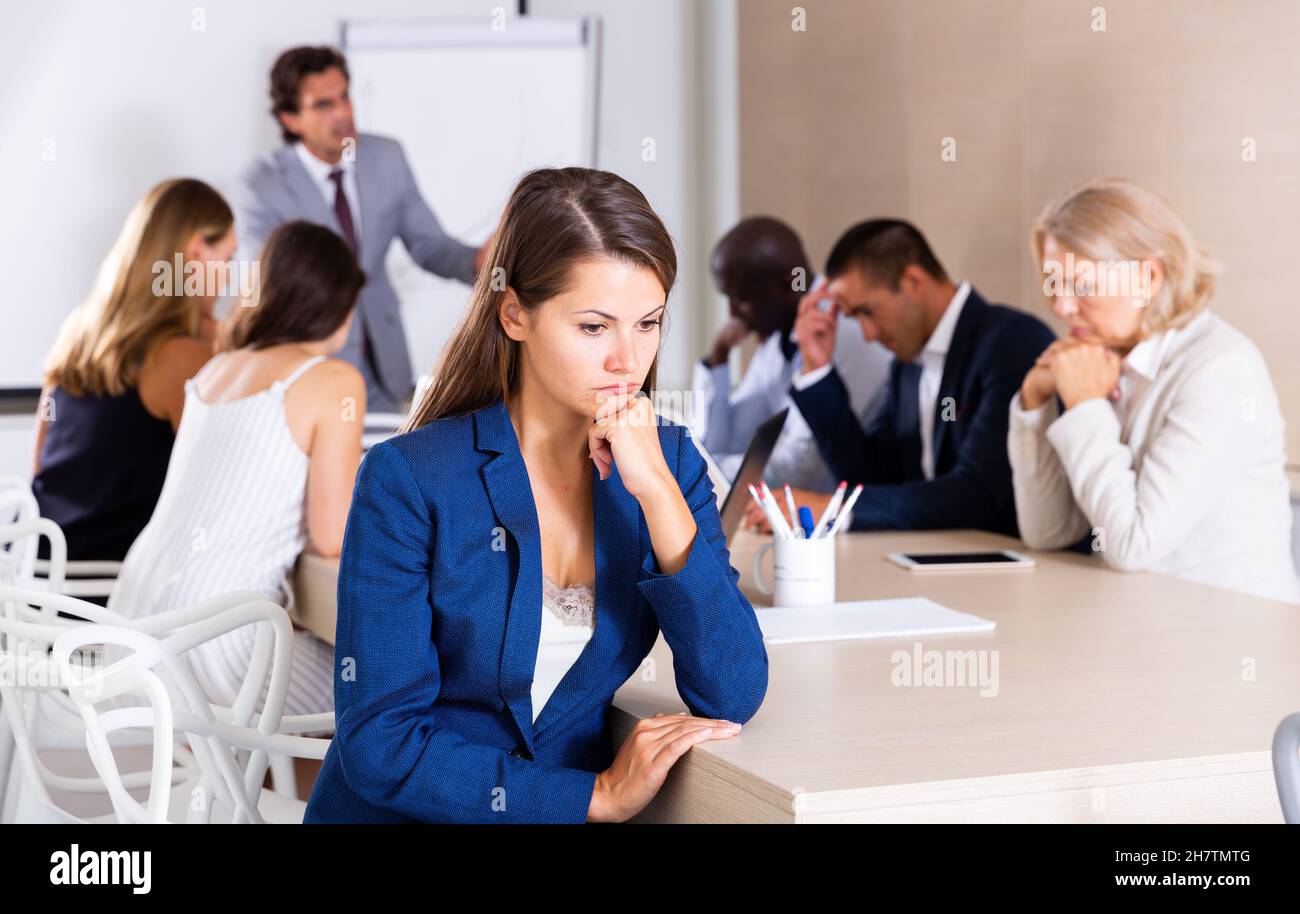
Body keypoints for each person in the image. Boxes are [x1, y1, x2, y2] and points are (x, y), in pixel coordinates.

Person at [305, 167, 769, 824]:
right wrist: (595, 796)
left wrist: (661, 497)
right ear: (515, 313)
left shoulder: (665, 463)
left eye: (648, 324)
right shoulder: (408, 478)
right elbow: (379, 742)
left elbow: (733, 691)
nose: (626, 360)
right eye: (593, 327)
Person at [107, 221, 368, 715]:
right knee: (388, 689)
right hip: (211, 653)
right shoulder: (332, 380)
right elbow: (332, 536)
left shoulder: (215, 369)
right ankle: (283, 793)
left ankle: (256, 791)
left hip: (135, 627)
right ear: (338, 303)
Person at [1009, 177, 1299, 604]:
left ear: (1147, 276)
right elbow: (1048, 533)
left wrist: (1086, 404)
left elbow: (1132, 545)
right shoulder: (1105, 360)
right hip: (1145, 624)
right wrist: (1035, 405)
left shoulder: (1221, 369)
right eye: (1054, 284)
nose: (1062, 306)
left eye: (1081, 286)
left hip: (1230, 636)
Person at [751, 218, 1054, 534]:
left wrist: (835, 508)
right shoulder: (906, 367)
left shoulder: (1013, 341)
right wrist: (817, 370)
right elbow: (870, 476)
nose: (867, 335)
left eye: (867, 311)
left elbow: (977, 494)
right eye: (855, 318)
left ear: (913, 281)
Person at [233, 45, 486, 413]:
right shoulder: (260, 184)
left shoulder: (386, 157)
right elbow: (263, 283)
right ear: (290, 119)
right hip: (309, 366)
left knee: (388, 466)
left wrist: (481, 261)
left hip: (386, 366)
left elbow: (429, 245)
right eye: (323, 104)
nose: (343, 113)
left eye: (344, 96)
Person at [32, 178, 233, 577]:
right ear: (196, 253)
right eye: (227, 260)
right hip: (111, 594)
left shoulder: (79, 332)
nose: (227, 278)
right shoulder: (182, 355)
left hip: (36, 578)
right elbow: (221, 492)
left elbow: (41, 467)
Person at [691, 216, 891, 490]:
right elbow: (725, 440)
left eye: (741, 298)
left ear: (787, 285)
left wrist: (702, 469)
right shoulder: (776, 340)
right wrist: (719, 357)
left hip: (857, 520)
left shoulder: (844, 329)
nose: (732, 313)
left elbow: (802, 467)